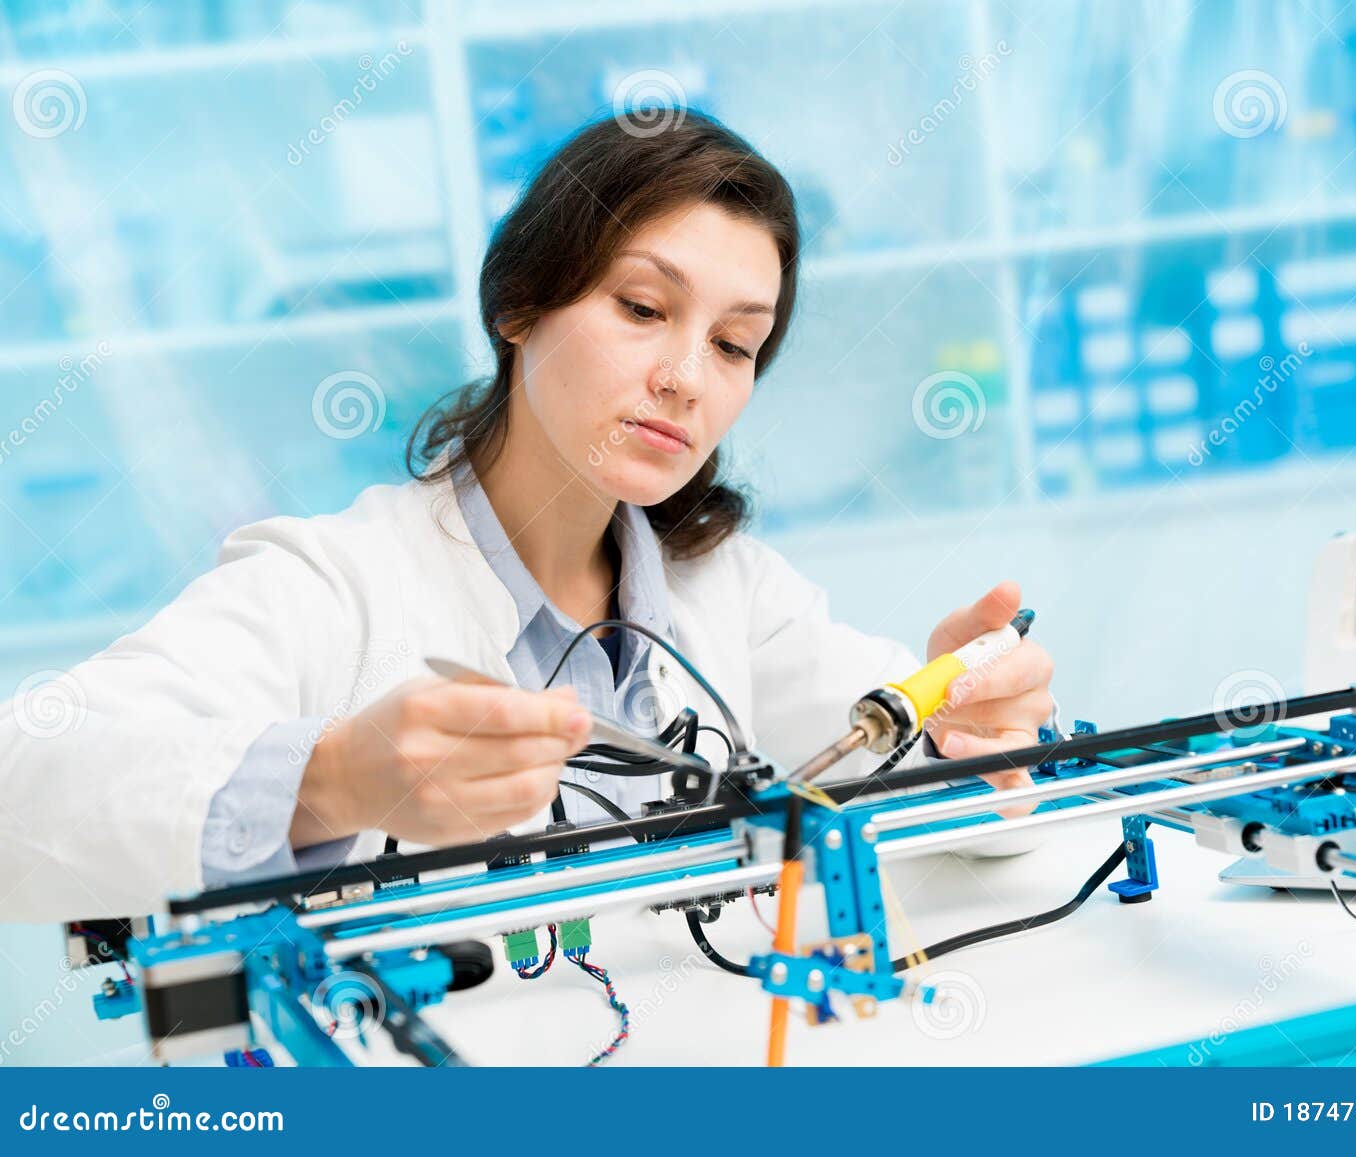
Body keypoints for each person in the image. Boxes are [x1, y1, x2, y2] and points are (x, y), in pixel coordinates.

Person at [0, 111, 1055, 922]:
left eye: (736, 344)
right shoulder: (331, 585)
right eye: (642, 309)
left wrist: (974, 733)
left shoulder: (730, 594)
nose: (688, 378)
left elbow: (975, 828)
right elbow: (25, 791)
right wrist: (330, 780)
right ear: (519, 306)